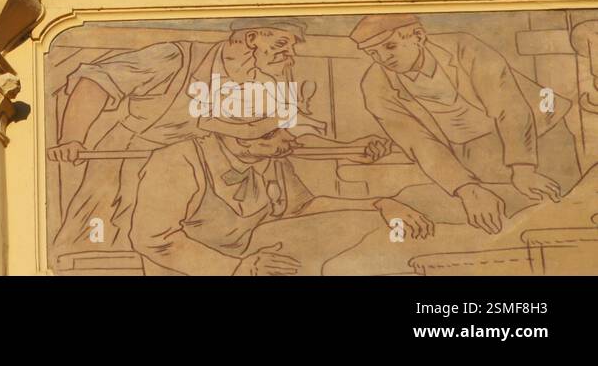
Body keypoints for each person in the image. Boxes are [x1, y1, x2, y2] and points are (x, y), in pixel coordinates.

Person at [48, 20, 307, 261]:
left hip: (199, 170)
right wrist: (72, 138)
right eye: (281, 45)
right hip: (128, 162)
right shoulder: (175, 57)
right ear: (251, 38)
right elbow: (96, 81)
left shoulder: (261, 80)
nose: (289, 55)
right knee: (102, 241)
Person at [352, 14, 581, 234]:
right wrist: (467, 189)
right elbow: (419, 143)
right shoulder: (375, 85)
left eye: (390, 47)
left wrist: (523, 168)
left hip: (539, 132)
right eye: (373, 53)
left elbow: (509, 107)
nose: (383, 58)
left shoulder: (463, 47)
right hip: (472, 148)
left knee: (561, 205)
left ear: (418, 37)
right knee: (497, 213)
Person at [129, 114, 432, 276]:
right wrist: (234, 269)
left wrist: (379, 204)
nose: (287, 139)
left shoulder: (272, 159)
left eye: (283, 128)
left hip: (251, 262)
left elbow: (303, 206)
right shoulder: (176, 161)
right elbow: (154, 239)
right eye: (272, 134)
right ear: (238, 140)